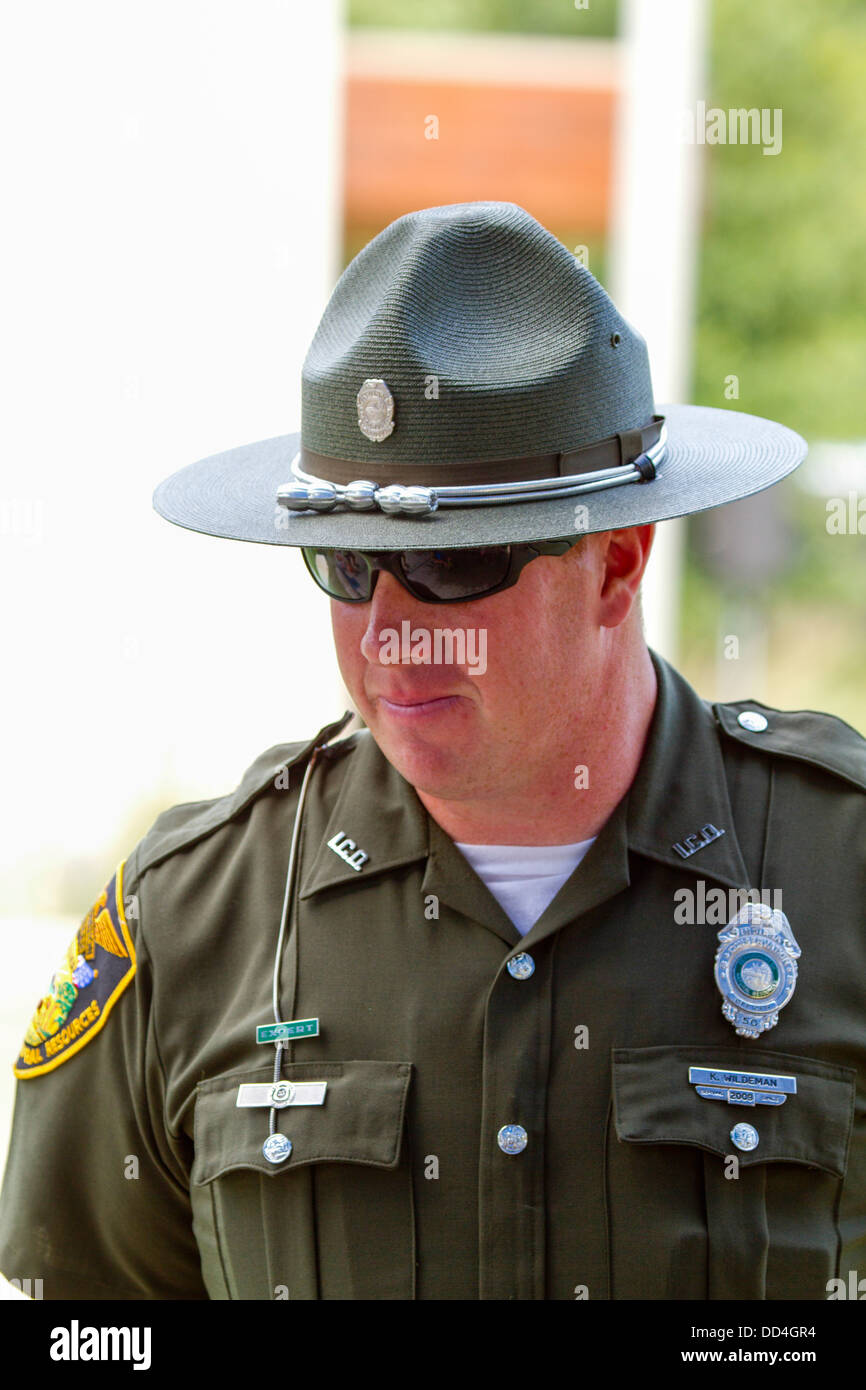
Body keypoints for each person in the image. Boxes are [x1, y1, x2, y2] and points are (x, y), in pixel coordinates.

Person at [1, 202, 864, 1301]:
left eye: (459, 566)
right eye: (347, 566)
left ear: (616, 562)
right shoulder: (190, 921)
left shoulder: (840, 870)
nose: (389, 630)